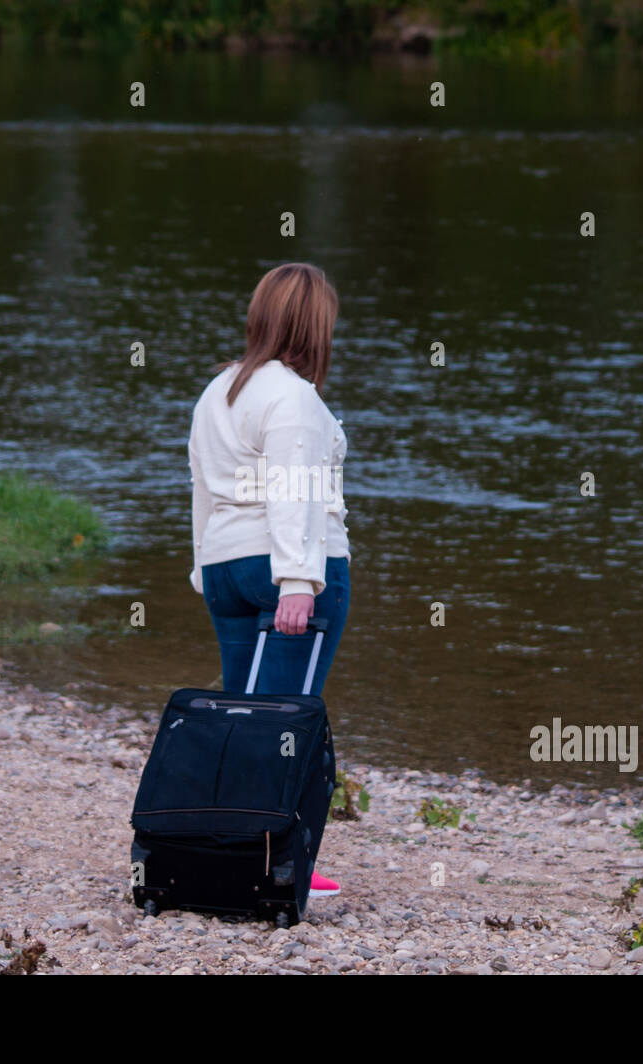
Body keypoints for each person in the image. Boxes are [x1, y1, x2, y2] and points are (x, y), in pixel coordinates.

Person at [188, 262, 351, 898]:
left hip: (228, 566)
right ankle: (267, 867)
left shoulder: (220, 389)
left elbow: (201, 484)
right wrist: (298, 582)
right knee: (279, 728)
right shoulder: (294, 397)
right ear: (314, 325)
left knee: (239, 721)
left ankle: (227, 848)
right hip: (289, 571)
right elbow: (296, 492)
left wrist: (205, 568)